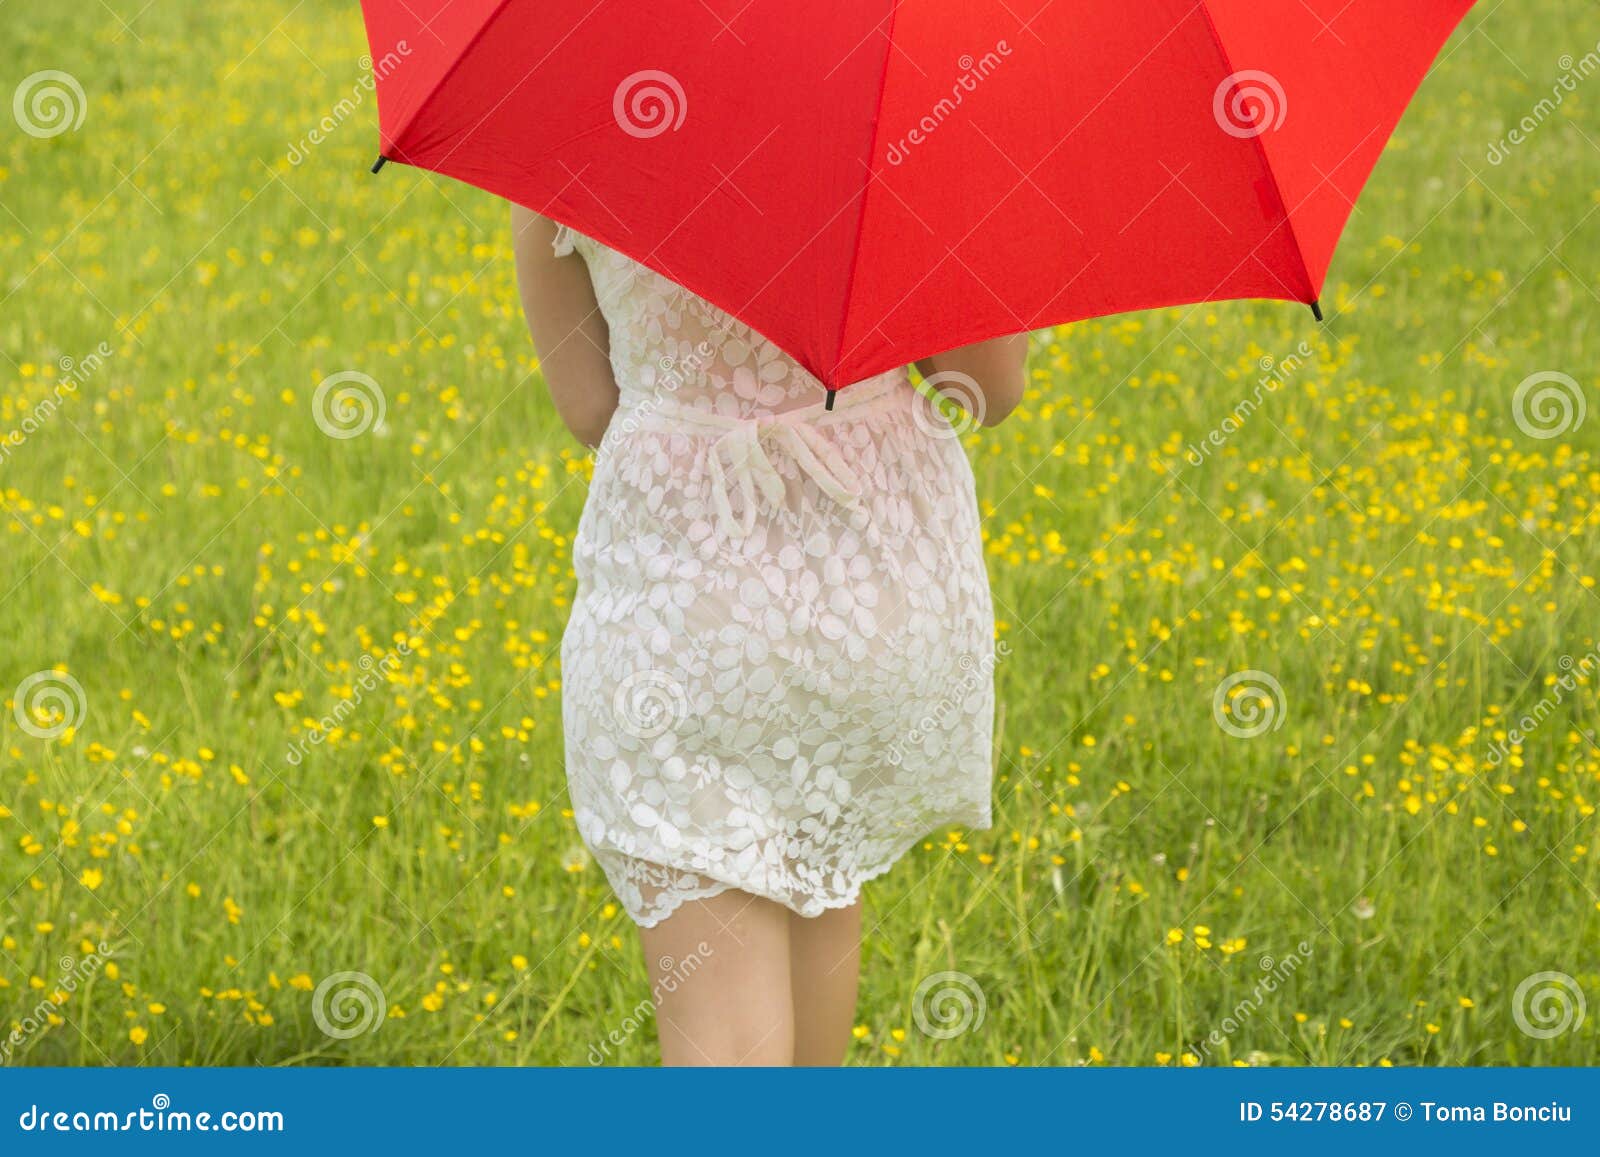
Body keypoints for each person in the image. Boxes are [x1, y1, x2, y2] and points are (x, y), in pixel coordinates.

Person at [512, 207, 1026, 1065]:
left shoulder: (572, 133)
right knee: (819, 876)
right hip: (868, 604)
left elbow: (589, 404)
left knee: (725, 1038)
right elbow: (989, 387)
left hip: (685, 623)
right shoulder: (900, 140)